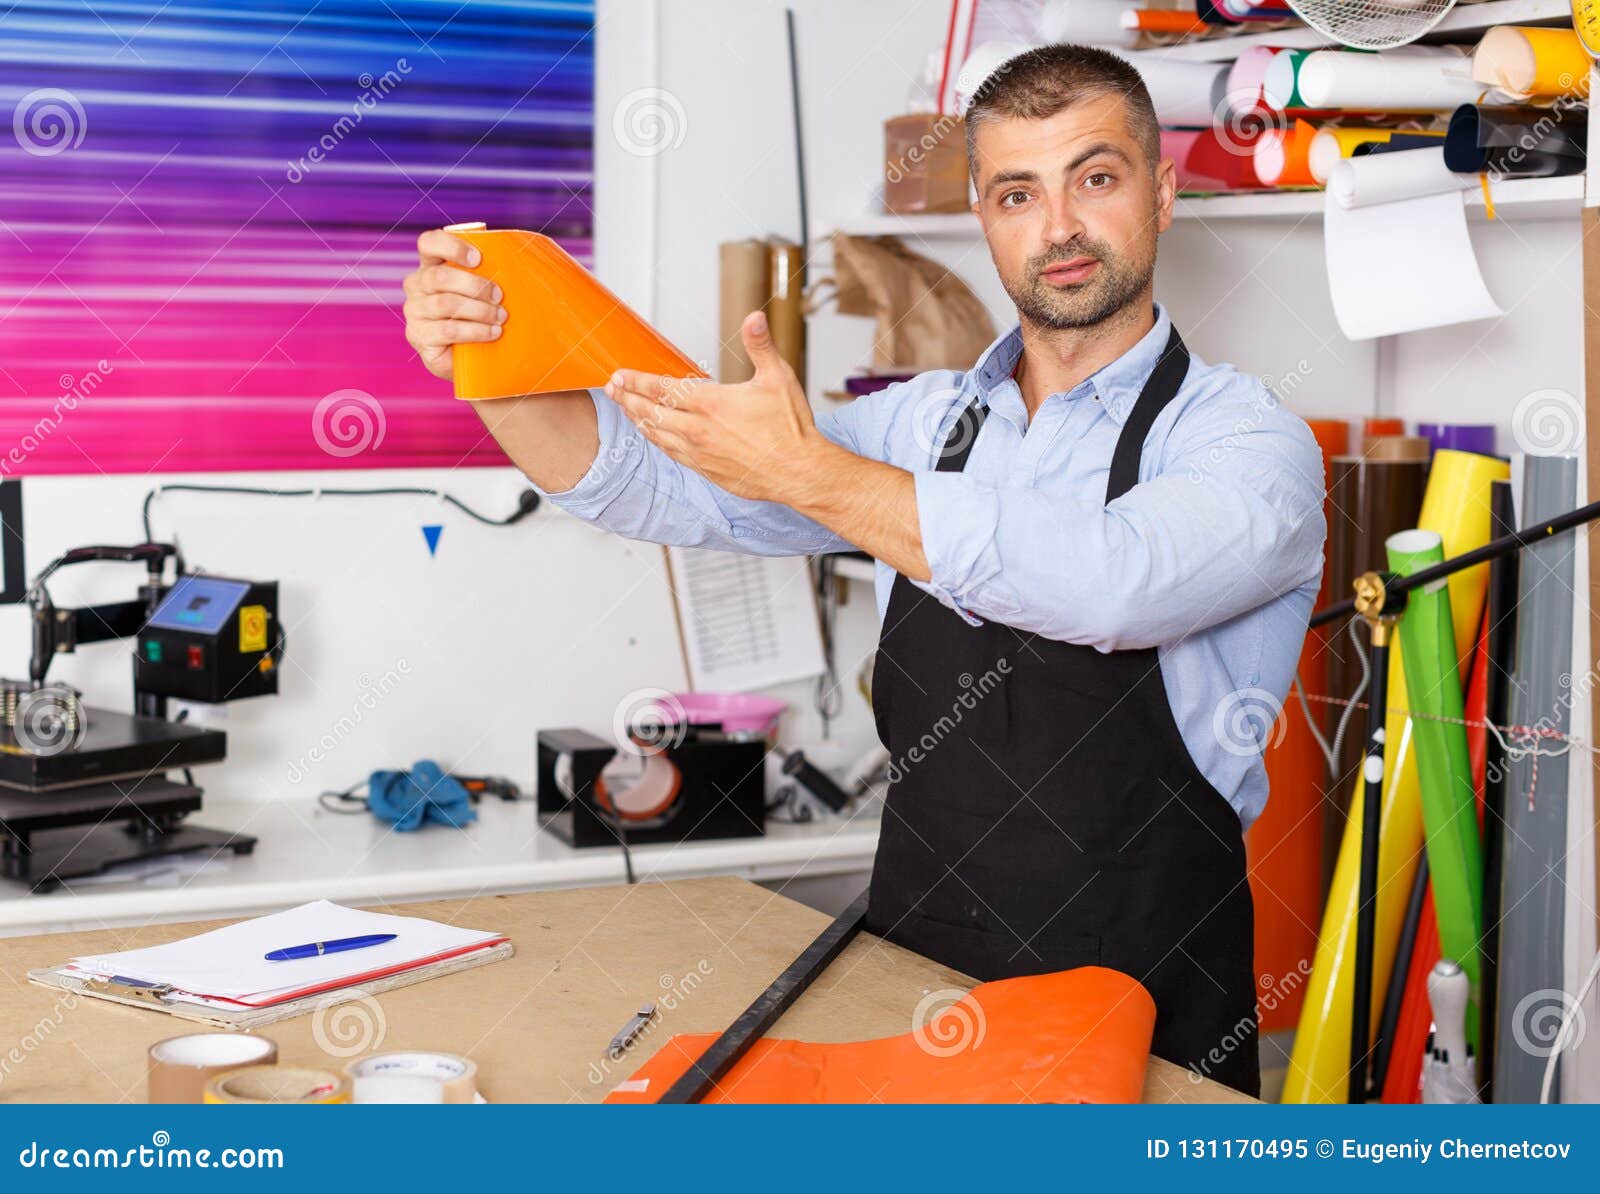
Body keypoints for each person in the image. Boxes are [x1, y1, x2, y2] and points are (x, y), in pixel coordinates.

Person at [401, 43, 1326, 1095]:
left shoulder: (1249, 443)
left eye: (1096, 178)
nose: (1059, 227)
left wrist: (817, 474)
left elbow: (1118, 583)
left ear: (1160, 194)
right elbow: (658, 486)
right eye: (1018, 193)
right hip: (913, 993)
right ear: (983, 216)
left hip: (1147, 1015)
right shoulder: (918, 425)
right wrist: (491, 358)